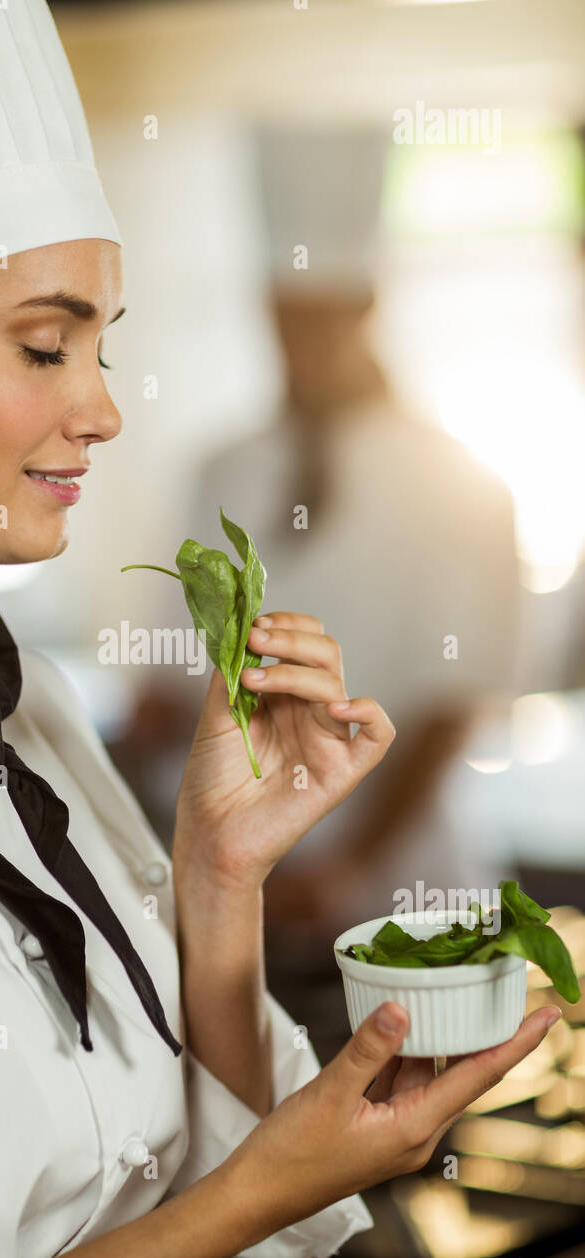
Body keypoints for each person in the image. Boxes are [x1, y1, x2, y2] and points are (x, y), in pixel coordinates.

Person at [0, 2, 557, 1258]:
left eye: (102, 347)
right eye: (45, 343)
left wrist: (220, 881)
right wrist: (262, 1188)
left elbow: (186, 1221)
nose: (104, 407)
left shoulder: (25, 704)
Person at [120, 124, 521, 958]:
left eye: (321, 314)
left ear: (368, 307)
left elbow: (455, 705)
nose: (297, 338)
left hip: (405, 893)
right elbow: (166, 677)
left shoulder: (458, 482)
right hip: (236, 896)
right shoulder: (219, 469)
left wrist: (349, 862)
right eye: (282, 312)